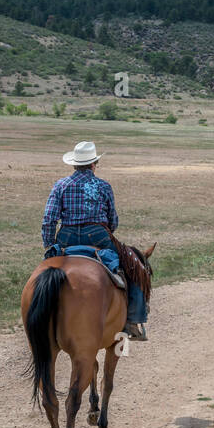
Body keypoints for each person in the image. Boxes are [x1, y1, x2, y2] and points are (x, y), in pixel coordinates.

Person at [42, 140, 148, 341]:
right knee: (132, 267)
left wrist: (49, 245)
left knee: (44, 274)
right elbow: (113, 221)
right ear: (93, 164)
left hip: (66, 238)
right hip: (98, 236)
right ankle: (133, 321)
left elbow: (49, 220)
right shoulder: (103, 186)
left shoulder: (61, 185)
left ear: (74, 164)